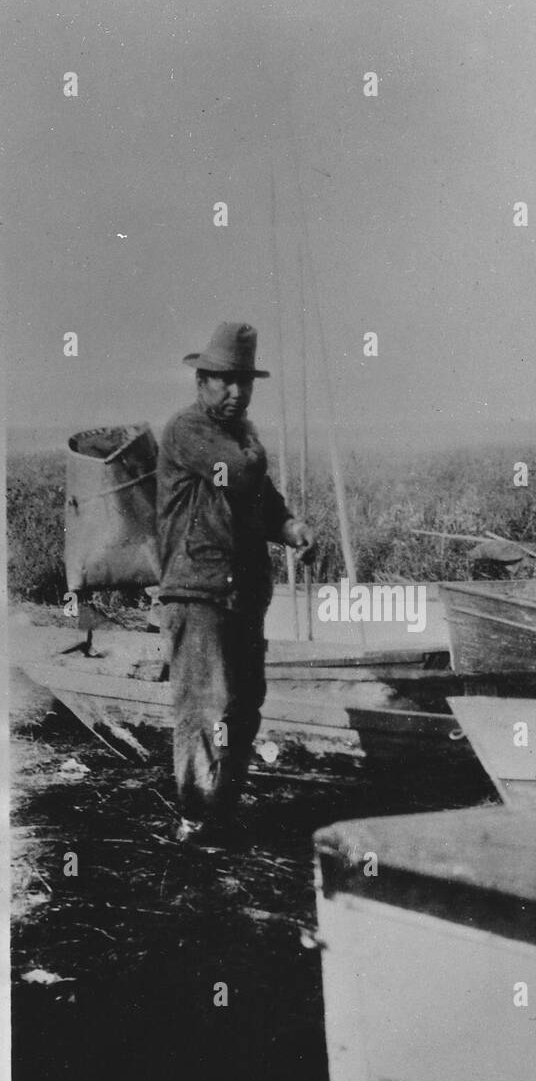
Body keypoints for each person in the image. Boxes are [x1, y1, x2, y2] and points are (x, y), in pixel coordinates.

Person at [156, 321, 315, 844]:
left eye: (244, 381)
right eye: (224, 381)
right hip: (198, 591)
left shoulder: (239, 436)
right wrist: (250, 442)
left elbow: (262, 499)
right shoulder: (189, 431)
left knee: (243, 707)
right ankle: (196, 818)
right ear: (200, 381)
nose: (236, 391)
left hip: (243, 593)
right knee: (205, 707)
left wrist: (290, 528)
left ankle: (221, 813)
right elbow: (241, 475)